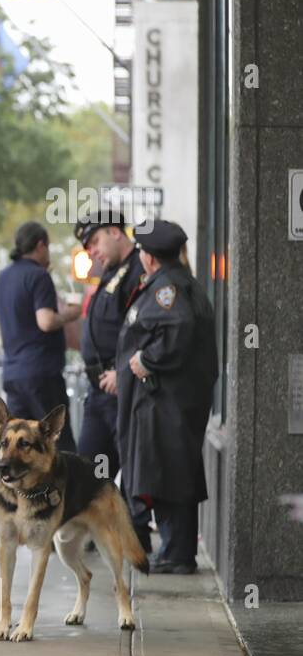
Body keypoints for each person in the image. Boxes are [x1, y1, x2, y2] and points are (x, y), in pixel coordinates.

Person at [116, 219, 218, 574]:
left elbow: (179, 326)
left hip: (168, 400)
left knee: (170, 473)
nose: (141, 256)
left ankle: (176, 553)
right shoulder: (172, 282)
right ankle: (177, 551)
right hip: (169, 400)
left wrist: (147, 358)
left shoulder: (169, 288)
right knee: (169, 471)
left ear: (151, 258)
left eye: (142, 251)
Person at [74, 211, 152, 552]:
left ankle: (136, 535)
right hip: (98, 390)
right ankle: (91, 529)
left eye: (95, 242)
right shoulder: (110, 273)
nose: (92, 251)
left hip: (121, 387)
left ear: (115, 232)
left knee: (132, 465)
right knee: (89, 464)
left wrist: (122, 373)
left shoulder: (138, 270)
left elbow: (142, 330)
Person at [0, 221, 80, 451]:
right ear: (41, 245)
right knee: (56, 444)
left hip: (13, 374)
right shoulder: (39, 276)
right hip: (42, 375)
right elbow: (46, 321)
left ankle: (20, 488)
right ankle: (63, 488)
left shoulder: (3, 278)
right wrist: (71, 313)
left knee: (20, 446)